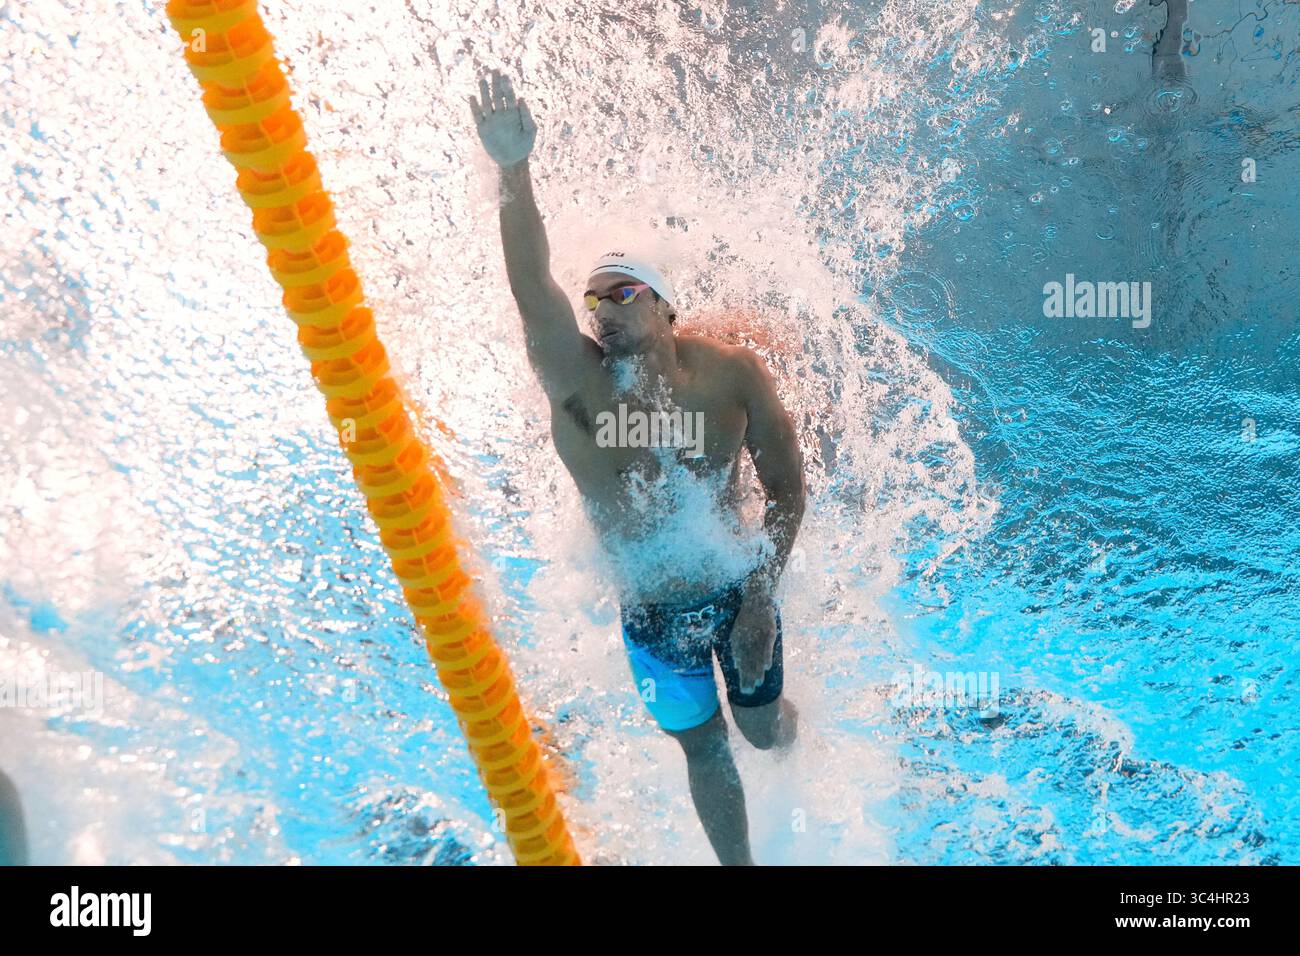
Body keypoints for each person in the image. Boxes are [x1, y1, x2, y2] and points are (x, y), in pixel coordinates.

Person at [469, 68, 805, 865]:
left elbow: (788, 487)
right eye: (595, 300)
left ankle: (797, 739)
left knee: (761, 733)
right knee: (706, 749)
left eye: (619, 293)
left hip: (737, 586)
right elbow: (532, 290)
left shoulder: (732, 377)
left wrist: (762, 596)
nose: (601, 309)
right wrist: (514, 170)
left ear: (662, 304)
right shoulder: (580, 387)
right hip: (654, 619)